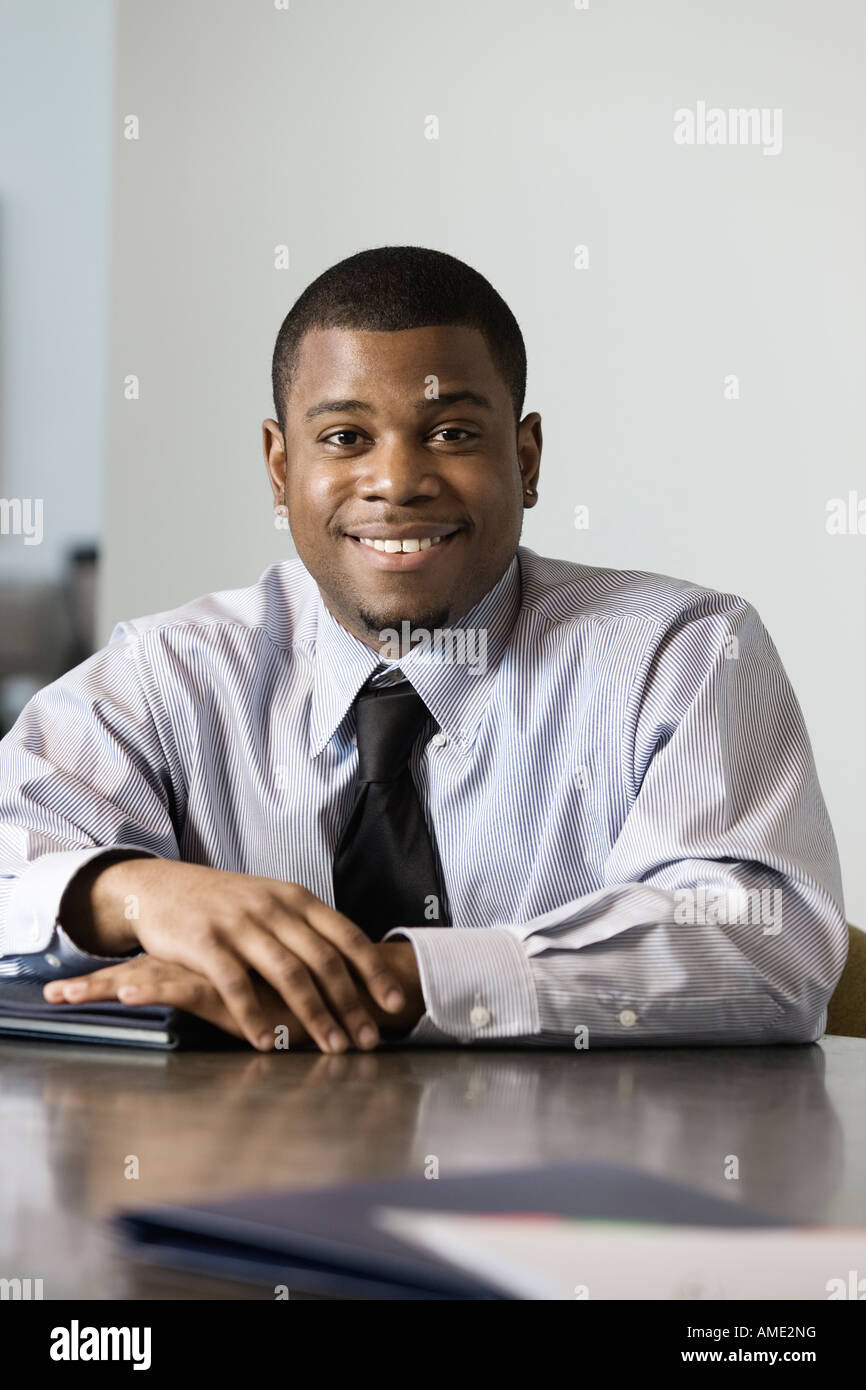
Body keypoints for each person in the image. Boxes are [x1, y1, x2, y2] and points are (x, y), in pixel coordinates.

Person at [0, 246, 847, 1053]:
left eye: (451, 434)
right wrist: (127, 893)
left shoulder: (682, 653)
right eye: (344, 439)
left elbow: (762, 942)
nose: (398, 482)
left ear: (526, 460)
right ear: (277, 465)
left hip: (575, 1180)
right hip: (227, 1171)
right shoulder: (168, 672)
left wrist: (387, 982)